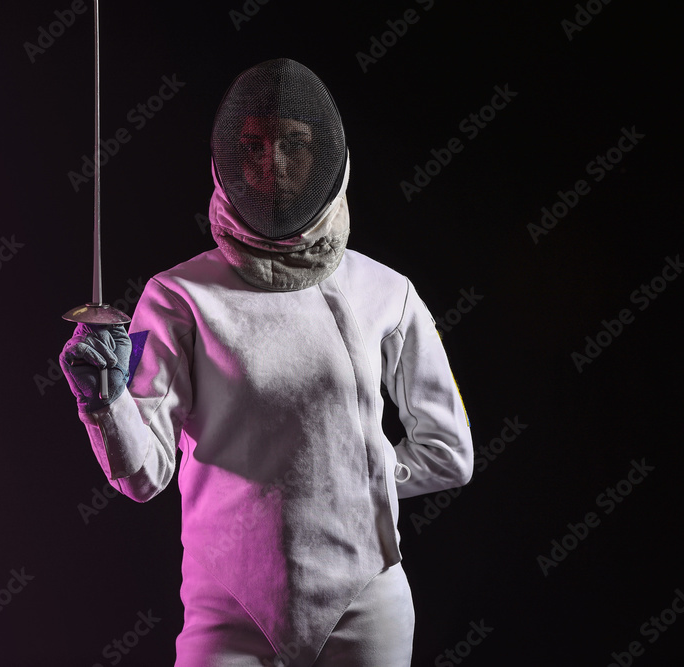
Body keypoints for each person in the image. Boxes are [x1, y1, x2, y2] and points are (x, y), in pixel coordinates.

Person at [61, 58, 473, 667]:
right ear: (227, 158)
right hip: (229, 610)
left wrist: (355, 474)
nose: (271, 165)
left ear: (327, 157)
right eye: (251, 146)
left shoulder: (386, 291)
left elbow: (450, 453)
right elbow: (144, 476)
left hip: (365, 605)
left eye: (294, 145)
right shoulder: (177, 296)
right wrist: (104, 401)